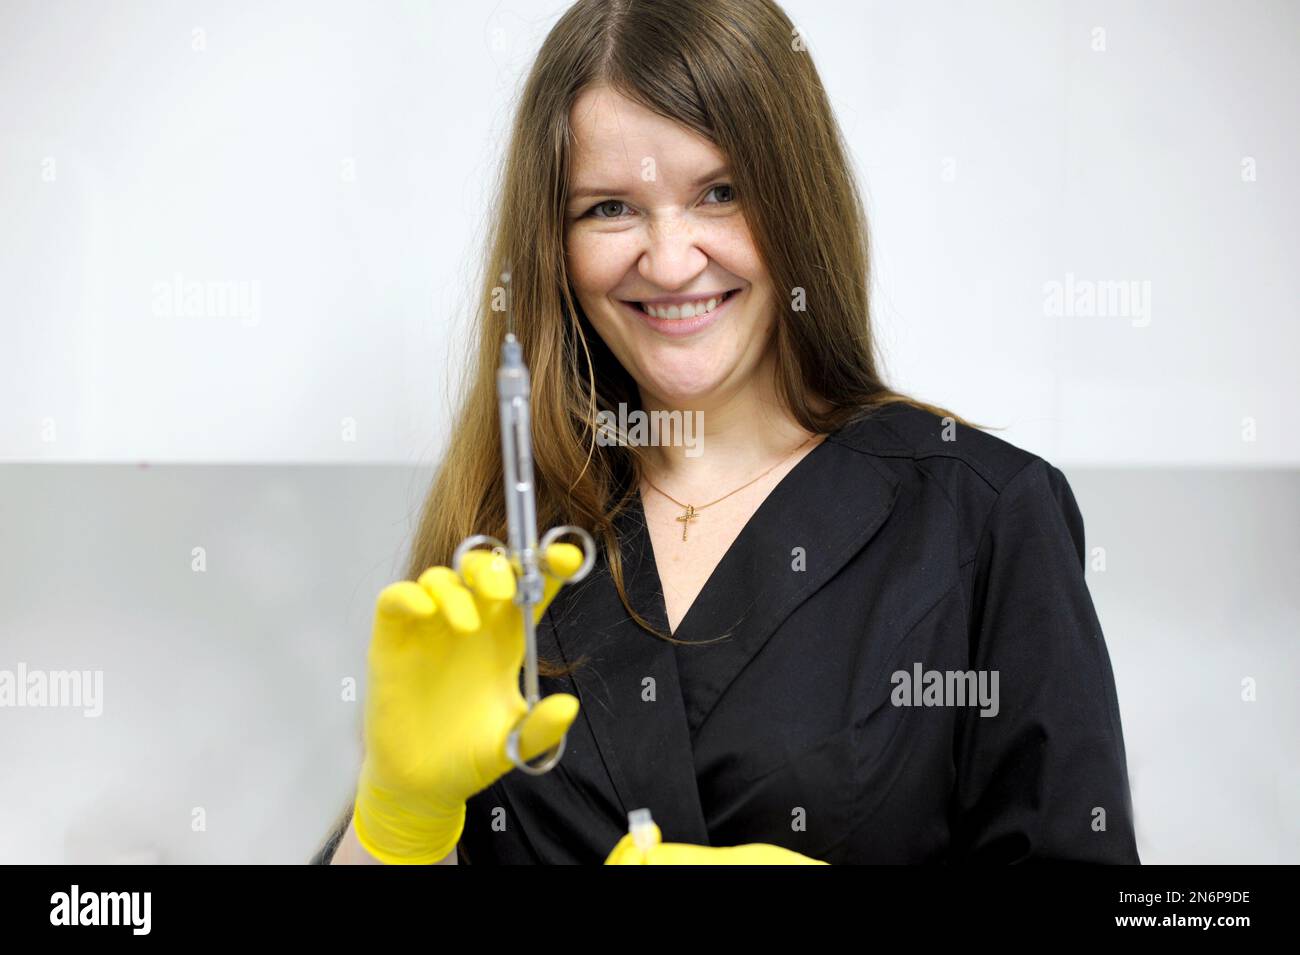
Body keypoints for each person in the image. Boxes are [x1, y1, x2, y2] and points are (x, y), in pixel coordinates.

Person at [318, 0, 1139, 865]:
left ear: (796, 199)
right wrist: (394, 825)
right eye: (608, 208)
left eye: (720, 192)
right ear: (553, 242)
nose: (670, 262)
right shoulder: (506, 535)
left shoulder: (982, 519)